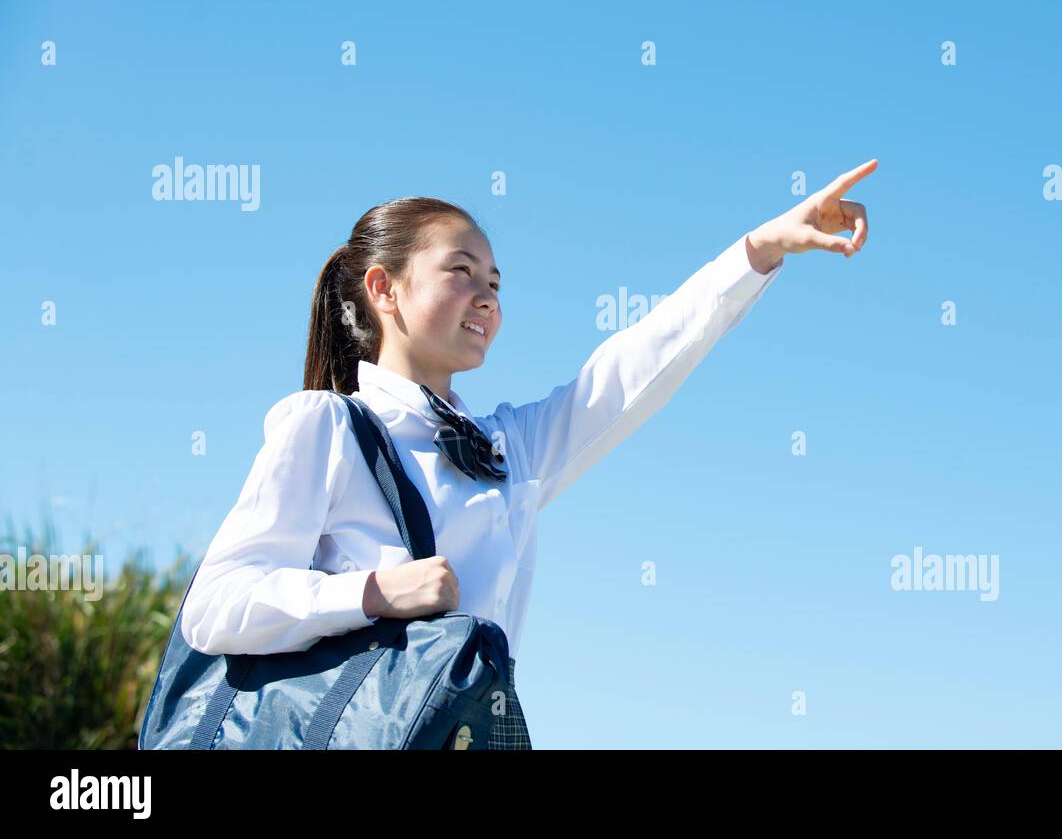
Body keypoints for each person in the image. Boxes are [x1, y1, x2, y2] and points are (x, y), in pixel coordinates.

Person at [177, 159, 878, 749]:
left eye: (496, 284)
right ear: (383, 289)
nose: (486, 297)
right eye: (462, 271)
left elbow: (630, 371)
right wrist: (372, 592)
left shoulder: (505, 449)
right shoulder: (326, 426)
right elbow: (215, 604)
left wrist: (760, 249)